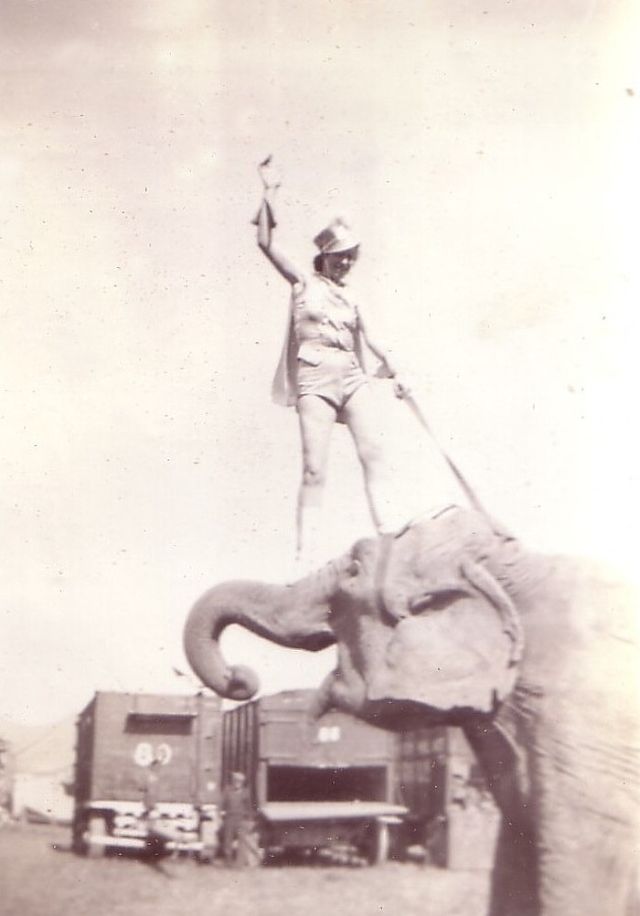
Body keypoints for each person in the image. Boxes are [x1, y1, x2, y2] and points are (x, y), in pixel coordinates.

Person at [254, 157, 411, 572]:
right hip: (315, 377)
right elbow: (266, 244)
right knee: (314, 467)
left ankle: (389, 530)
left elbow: (373, 337)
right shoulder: (304, 283)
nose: (345, 263)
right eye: (339, 256)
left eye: (350, 257)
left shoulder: (353, 297)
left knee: (373, 451)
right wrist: (269, 193)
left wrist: (396, 369)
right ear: (323, 257)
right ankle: (305, 555)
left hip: (351, 375)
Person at [221, 771, 254, 865]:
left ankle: (239, 863)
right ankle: (228, 862)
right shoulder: (227, 790)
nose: (237, 783)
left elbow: (249, 807)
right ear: (233, 781)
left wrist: (250, 819)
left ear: (242, 782)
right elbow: (221, 803)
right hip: (229, 818)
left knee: (242, 842)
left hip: (241, 819)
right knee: (228, 840)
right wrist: (220, 813)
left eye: (240, 781)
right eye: (236, 781)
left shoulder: (246, 792)